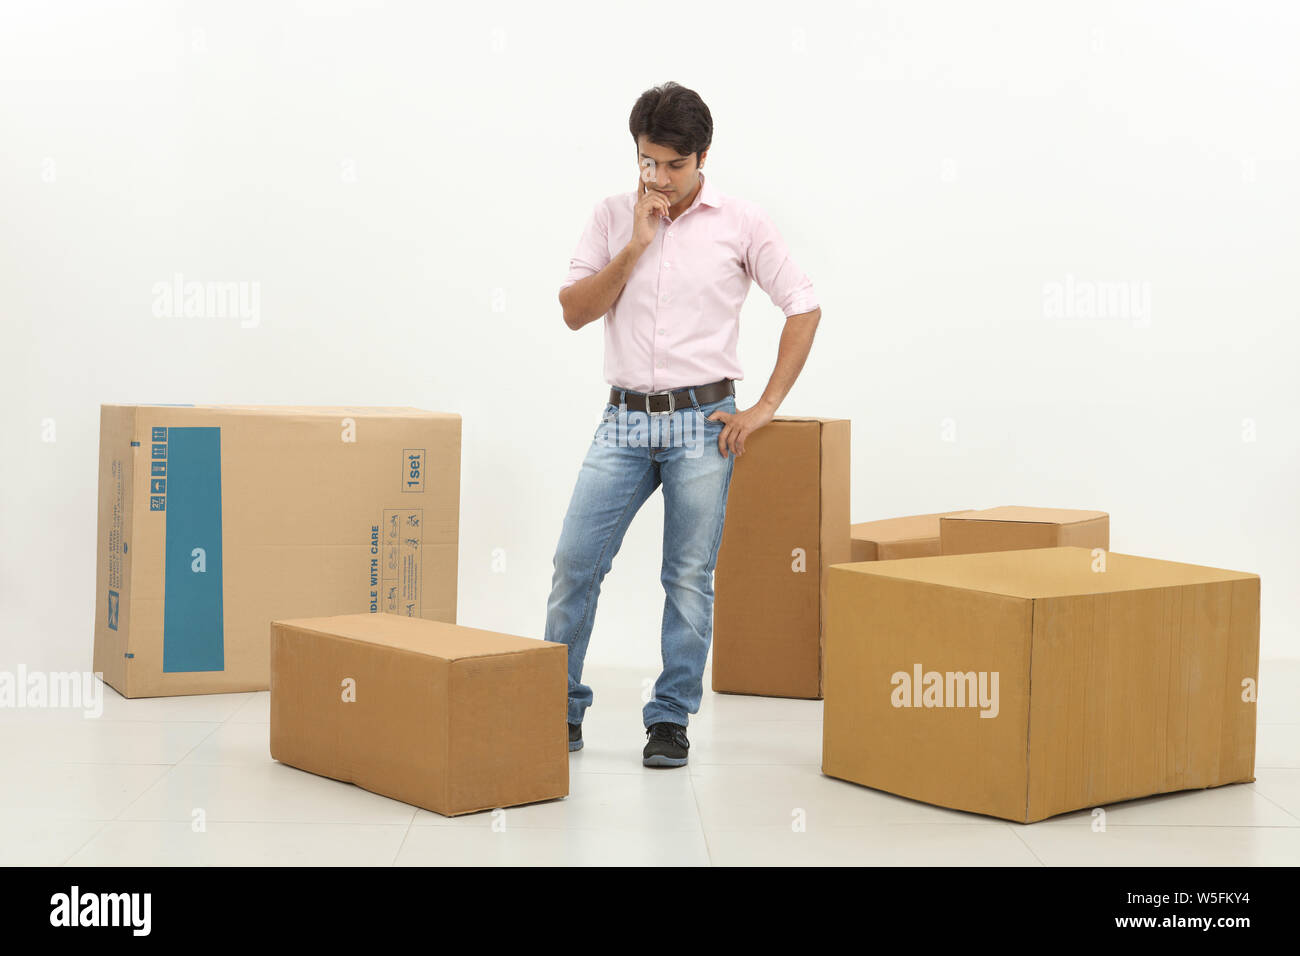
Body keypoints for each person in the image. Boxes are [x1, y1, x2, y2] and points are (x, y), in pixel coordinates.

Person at [545, 80, 822, 768]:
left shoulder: (743, 223)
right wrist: (636, 245)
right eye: (648, 162)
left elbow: (804, 306)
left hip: (704, 423)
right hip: (624, 423)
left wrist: (763, 408)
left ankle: (669, 719)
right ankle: (557, 708)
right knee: (575, 563)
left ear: (702, 156)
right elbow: (575, 311)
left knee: (688, 578)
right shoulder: (613, 216)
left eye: (673, 165)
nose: (659, 178)